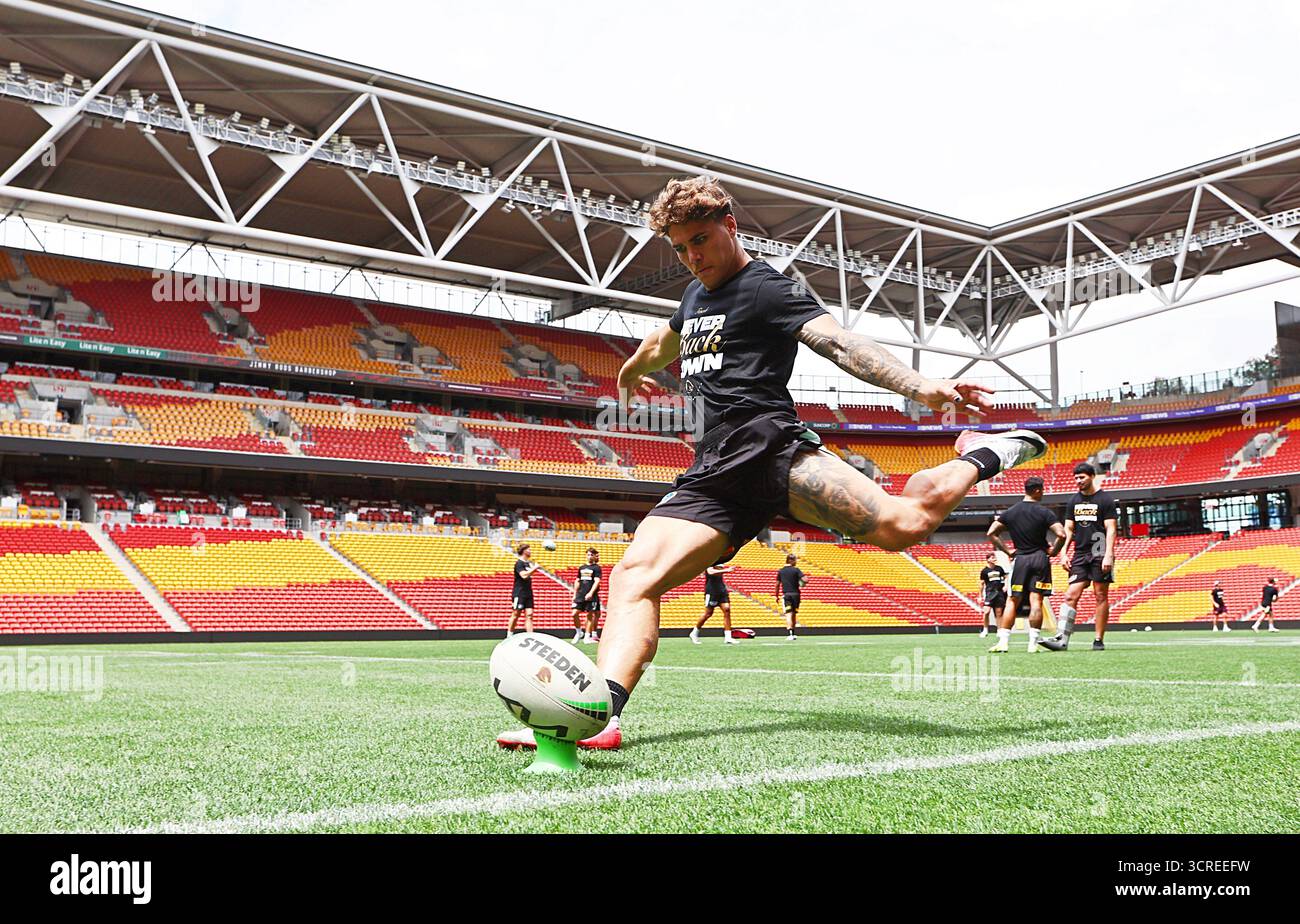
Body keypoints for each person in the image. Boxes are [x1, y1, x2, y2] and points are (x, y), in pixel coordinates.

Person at [496, 176, 1048, 754]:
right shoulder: (694, 295)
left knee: (906, 525)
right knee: (634, 578)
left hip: (771, 453)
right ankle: (602, 715)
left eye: (702, 241)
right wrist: (631, 373)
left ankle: (989, 453)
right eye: (681, 248)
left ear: (731, 225)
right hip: (712, 476)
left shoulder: (767, 289)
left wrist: (920, 385)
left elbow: (839, 343)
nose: (693, 257)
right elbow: (666, 339)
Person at [1040, 462, 1117, 652]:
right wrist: (1064, 552)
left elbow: (1111, 529)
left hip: (1100, 550)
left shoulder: (1105, 499)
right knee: (1070, 595)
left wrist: (1109, 554)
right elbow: (1068, 529)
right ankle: (1062, 639)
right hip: (1080, 553)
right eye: (1076, 478)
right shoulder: (1074, 501)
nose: (1078, 481)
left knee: (1100, 595)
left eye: (1081, 477)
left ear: (1091, 476)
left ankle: (1098, 639)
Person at [986, 476, 1066, 653]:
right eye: (1042, 490)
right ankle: (1033, 644)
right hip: (1040, 558)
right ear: (1037, 490)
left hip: (1020, 559)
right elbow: (1061, 535)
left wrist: (1008, 552)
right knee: (1036, 600)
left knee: (1012, 601)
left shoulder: (1012, 511)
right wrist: (1054, 552)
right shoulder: (1045, 512)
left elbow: (991, 532)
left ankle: (1003, 643)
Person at [689, 563, 740, 644]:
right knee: (708, 614)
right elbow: (710, 572)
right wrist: (727, 570)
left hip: (722, 590)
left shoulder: (721, 560)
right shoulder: (711, 561)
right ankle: (694, 633)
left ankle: (728, 637)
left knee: (727, 609)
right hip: (711, 592)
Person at [571, 547, 603, 644]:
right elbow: (577, 581)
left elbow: (597, 581)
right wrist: (574, 594)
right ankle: (579, 632)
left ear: (594, 556)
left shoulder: (596, 568)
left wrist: (591, 593)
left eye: (591, 555)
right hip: (581, 594)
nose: (589, 556)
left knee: (590, 615)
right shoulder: (582, 568)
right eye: (588, 554)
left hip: (591, 595)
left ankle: (587, 636)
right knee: (574, 614)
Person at [507, 543, 538, 637]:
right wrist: (535, 569)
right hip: (519, 592)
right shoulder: (519, 563)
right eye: (529, 549)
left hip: (528, 592)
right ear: (524, 551)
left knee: (530, 615)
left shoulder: (528, 563)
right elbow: (524, 575)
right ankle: (509, 635)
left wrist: (533, 569)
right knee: (516, 614)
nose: (530, 551)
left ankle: (531, 636)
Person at [776, 553, 807, 640]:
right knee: (793, 614)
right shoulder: (796, 570)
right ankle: (793, 633)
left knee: (788, 614)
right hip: (796, 595)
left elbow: (777, 585)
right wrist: (802, 584)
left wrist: (776, 596)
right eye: (795, 560)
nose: (796, 562)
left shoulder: (781, 571)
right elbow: (805, 579)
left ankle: (790, 634)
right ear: (791, 560)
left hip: (787, 595)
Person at [978, 552, 1007, 638]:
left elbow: (1006, 577)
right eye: (992, 558)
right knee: (986, 612)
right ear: (988, 560)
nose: (994, 559)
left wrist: (1005, 585)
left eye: (994, 557)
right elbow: (982, 584)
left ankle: (999, 630)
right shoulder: (984, 571)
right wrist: (980, 596)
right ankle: (985, 629)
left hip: (999, 593)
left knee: (999, 613)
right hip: (990, 593)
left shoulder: (999, 569)